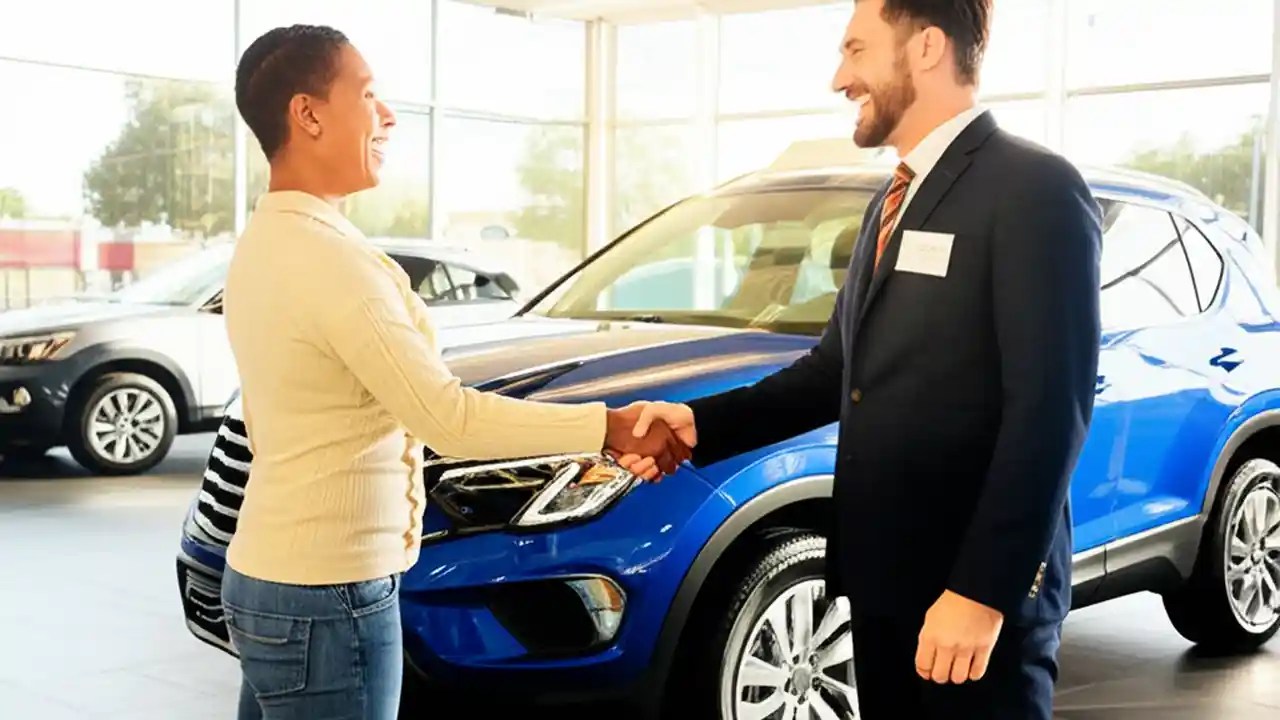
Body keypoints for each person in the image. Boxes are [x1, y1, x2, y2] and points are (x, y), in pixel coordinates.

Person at [620, 1, 1102, 717]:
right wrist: (697, 423)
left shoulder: (1035, 190)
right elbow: (833, 374)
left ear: (928, 47)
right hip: (884, 587)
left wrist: (981, 591)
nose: (839, 78)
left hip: (963, 600)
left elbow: (1049, 414)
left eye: (856, 49)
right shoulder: (893, 199)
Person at [222, 25, 689, 720]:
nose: (388, 116)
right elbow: (448, 418)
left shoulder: (266, 241)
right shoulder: (329, 259)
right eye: (369, 94)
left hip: (271, 576)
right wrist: (609, 426)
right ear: (308, 113)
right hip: (328, 593)